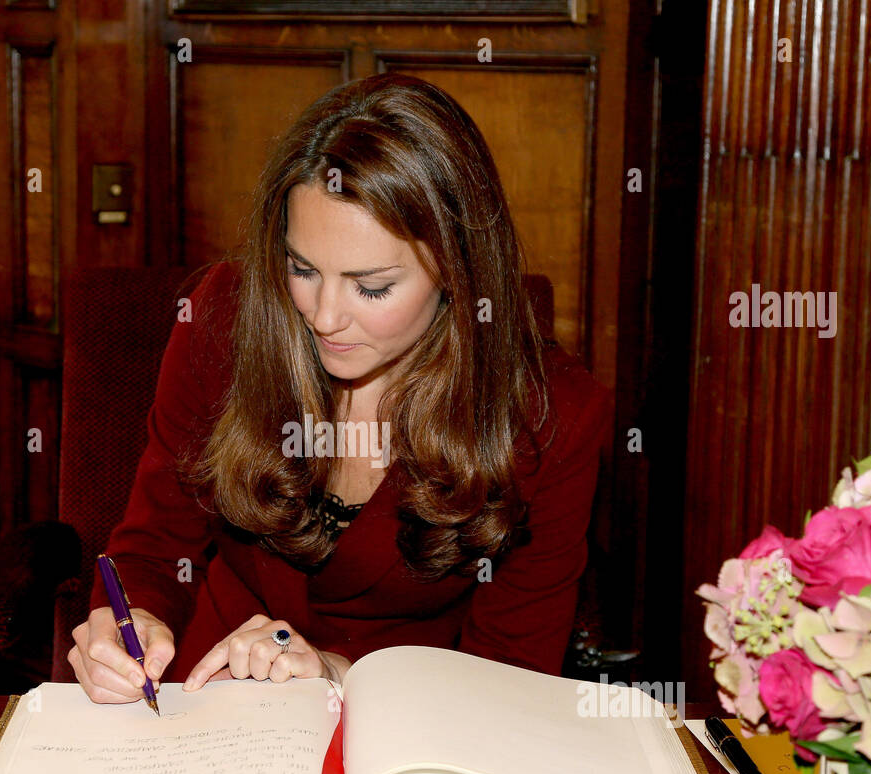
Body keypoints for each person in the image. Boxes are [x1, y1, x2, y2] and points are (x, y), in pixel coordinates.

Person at [69, 73, 612, 704]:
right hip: (209, 703)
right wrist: (129, 620)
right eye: (302, 269)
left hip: (416, 724)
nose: (324, 315)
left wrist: (334, 672)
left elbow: (514, 676)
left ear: (457, 269)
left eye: (372, 286)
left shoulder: (551, 417)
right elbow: (154, 549)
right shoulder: (221, 324)